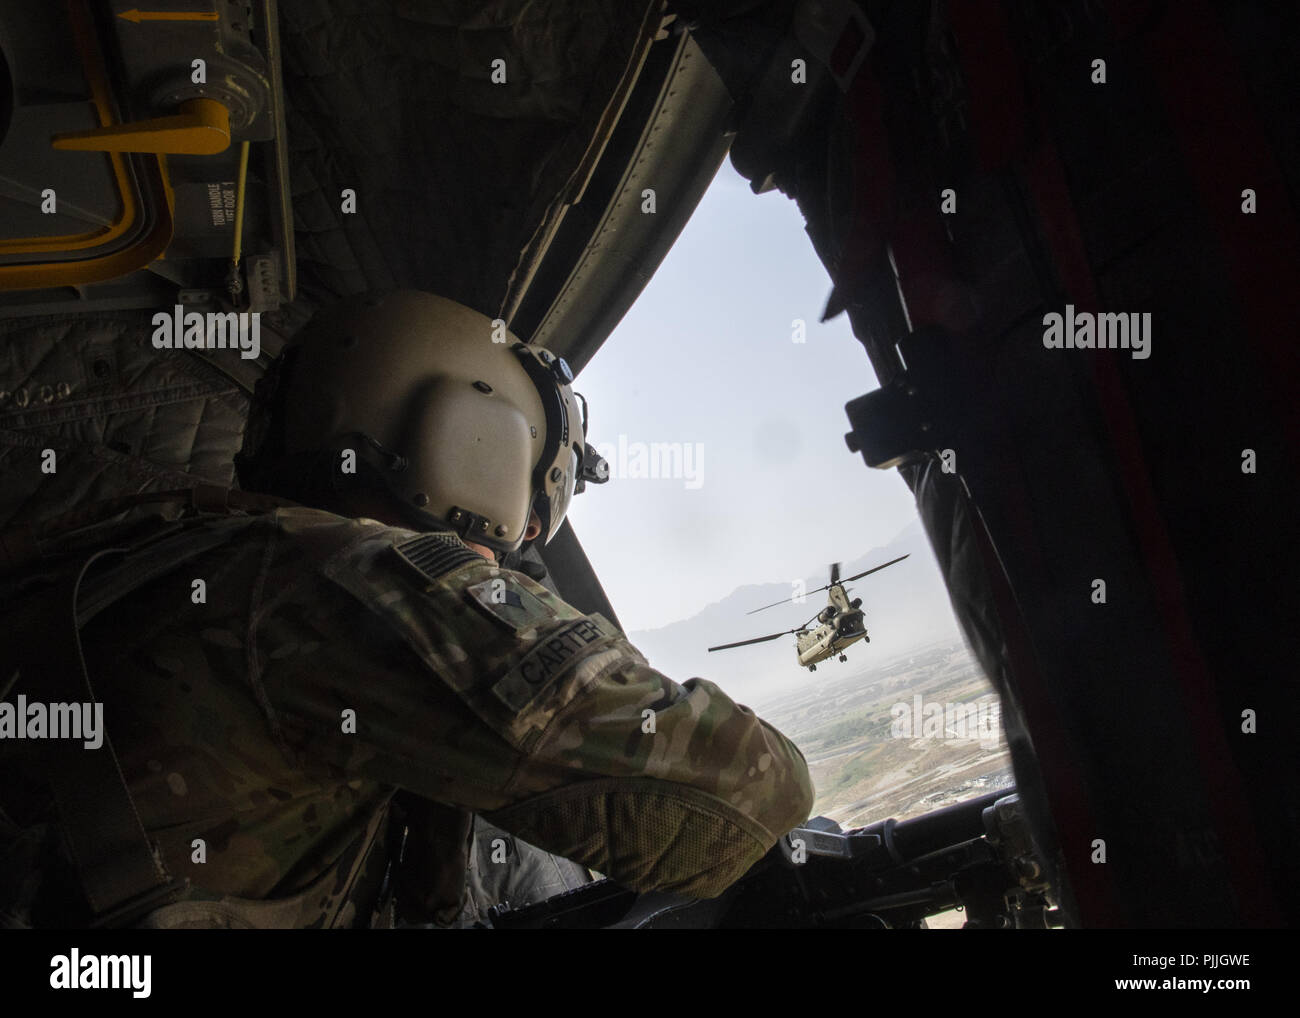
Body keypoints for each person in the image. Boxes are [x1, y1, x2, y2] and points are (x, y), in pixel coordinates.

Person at [0, 290, 814, 928]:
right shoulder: (346, 576)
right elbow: (745, 800)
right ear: (473, 439)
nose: (527, 532)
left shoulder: (148, 557)